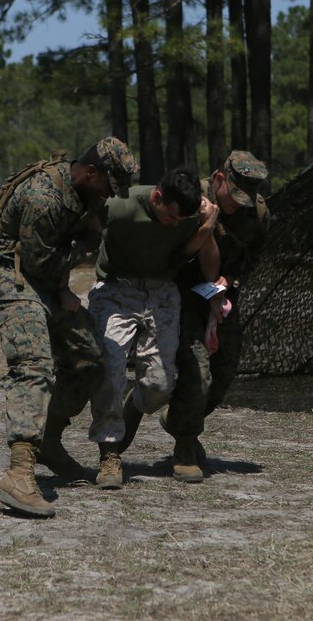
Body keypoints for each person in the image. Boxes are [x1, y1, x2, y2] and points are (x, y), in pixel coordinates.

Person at [0, 136, 139, 518]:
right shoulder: (44, 197)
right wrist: (88, 243)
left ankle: (49, 439)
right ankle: (19, 473)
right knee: (34, 364)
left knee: (91, 359)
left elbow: (59, 255)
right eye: (107, 186)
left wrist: (69, 278)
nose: (109, 195)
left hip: (46, 283)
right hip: (10, 279)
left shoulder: (85, 193)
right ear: (90, 172)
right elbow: (39, 263)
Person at [87, 167, 219, 490]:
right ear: (158, 197)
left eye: (180, 220)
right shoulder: (122, 206)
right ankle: (109, 453)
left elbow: (204, 262)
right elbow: (86, 222)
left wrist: (207, 227)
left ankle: (134, 404)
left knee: (161, 385)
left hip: (161, 292)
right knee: (110, 371)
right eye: (171, 217)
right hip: (117, 289)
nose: (175, 224)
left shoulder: (193, 215)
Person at [162, 150, 270, 482]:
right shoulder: (189, 199)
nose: (239, 204)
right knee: (198, 372)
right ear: (219, 179)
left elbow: (254, 255)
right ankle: (185, 444)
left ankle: (179, 418)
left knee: (224, 371)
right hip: (183, 296)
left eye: (245, 198)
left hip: (222, 298)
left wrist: (230, 279)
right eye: (234, 196)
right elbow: (166, 255)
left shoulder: (258, 213)